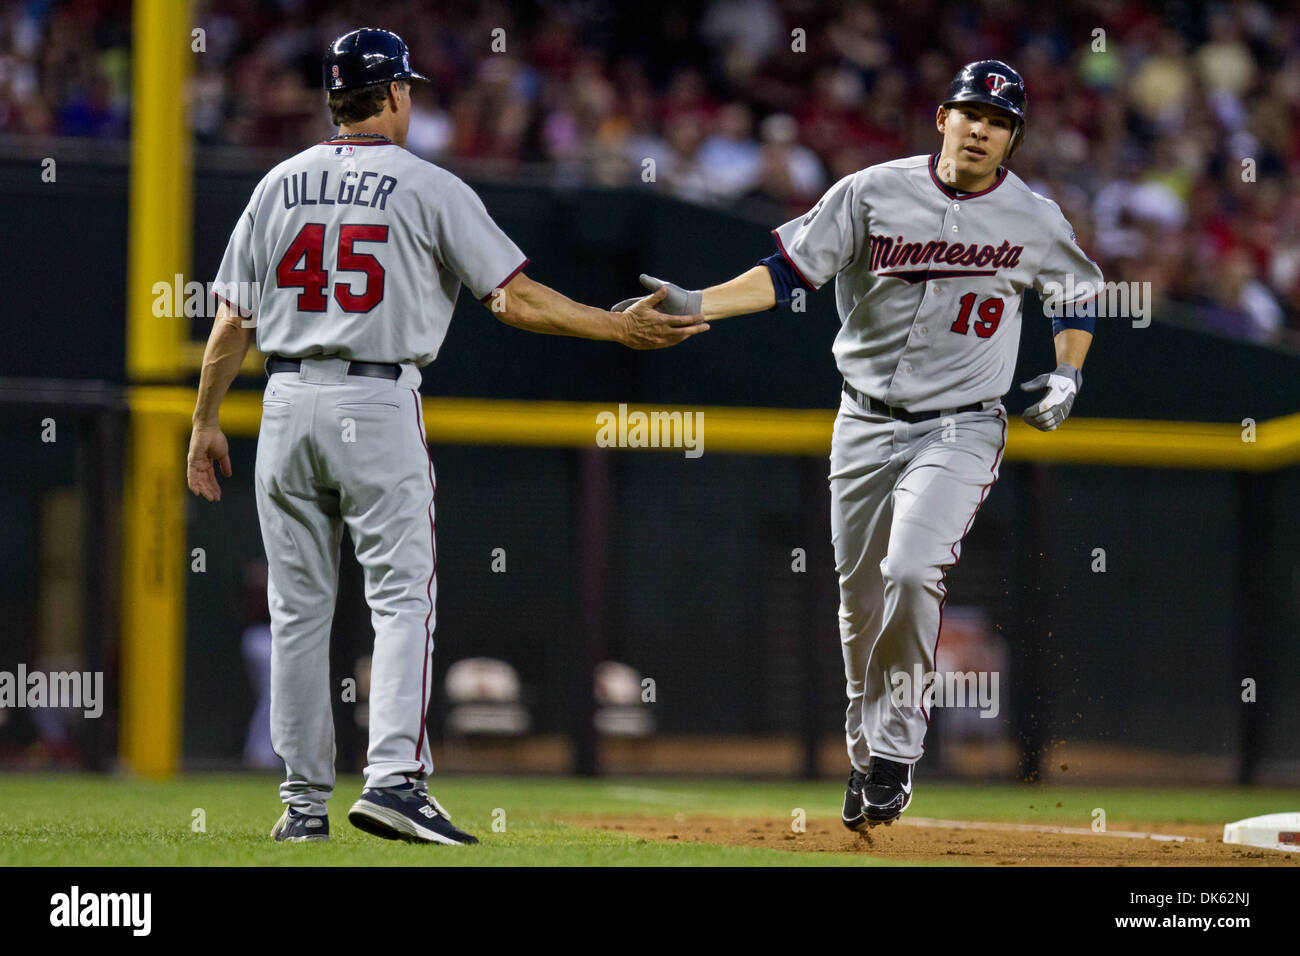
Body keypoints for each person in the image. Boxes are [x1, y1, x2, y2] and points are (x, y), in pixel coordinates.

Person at [185, 27, 706, 846]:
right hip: (376, 396)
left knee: (297, 614)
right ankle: (393, 779)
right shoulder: (425, 184)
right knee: (400, 600)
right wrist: (613, 327)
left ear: (333, 97)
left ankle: (302, 805)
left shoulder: (277, 182)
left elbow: (229, 322)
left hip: (282, 403)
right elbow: (516, 298)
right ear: (393, 94)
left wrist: (204, 420)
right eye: (409, 88)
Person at [615, 61, 1100, 828]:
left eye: (1000, 121)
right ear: (942, 116)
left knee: (911, 569)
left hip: (962, 422)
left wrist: (1068, 374)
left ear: (1011, 139)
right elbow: (786, 272)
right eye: (971, 112)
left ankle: (897, 751)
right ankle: (867, 752)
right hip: (865, 421)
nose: (982, 128)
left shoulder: (1033, 218)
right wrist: (698, 301)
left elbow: (1078, 296)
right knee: (858, 602)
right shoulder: (872, 190)